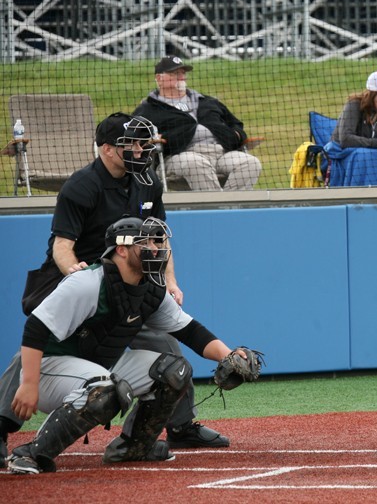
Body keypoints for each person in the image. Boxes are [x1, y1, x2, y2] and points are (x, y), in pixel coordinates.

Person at [0, 114, 228, 470]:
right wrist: (77, 275)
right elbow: (62, 244)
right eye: (131, 145)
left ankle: (177, 428)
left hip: (132, 279)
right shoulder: (82, 185)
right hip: (83, 277)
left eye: (143, 143)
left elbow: (158, 235)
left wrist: (168, 281)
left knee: (169, 356)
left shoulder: (148, 180)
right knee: (46, 344)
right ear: (107, 149)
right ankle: (7, 431)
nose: (140, 150)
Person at [6, 217, 248, 474]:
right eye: (145, 242)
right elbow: (36, 326)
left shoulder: (150, 288)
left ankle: (133, 448)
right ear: (121, 249)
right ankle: (31, 454)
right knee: (105, 388)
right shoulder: (88, 282)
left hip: (97, 370)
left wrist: (229, 355)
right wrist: (29, 383)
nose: (155, 248)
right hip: (47, 372)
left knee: (173, 370)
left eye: (156, 242)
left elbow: (190, 331)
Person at [133, 55, 261, 191]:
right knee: (195, 163)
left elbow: (236, 124)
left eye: (183, 73)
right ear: (159, 79)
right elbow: (134, 136)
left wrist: (236, 135)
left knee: (250, 163)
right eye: (175, 73)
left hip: (221, 152)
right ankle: (215, 209)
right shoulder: (149, 108)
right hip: (179, 156)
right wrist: (152, 140)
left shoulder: (207, 101)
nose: (181, 77)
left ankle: (231, 207)